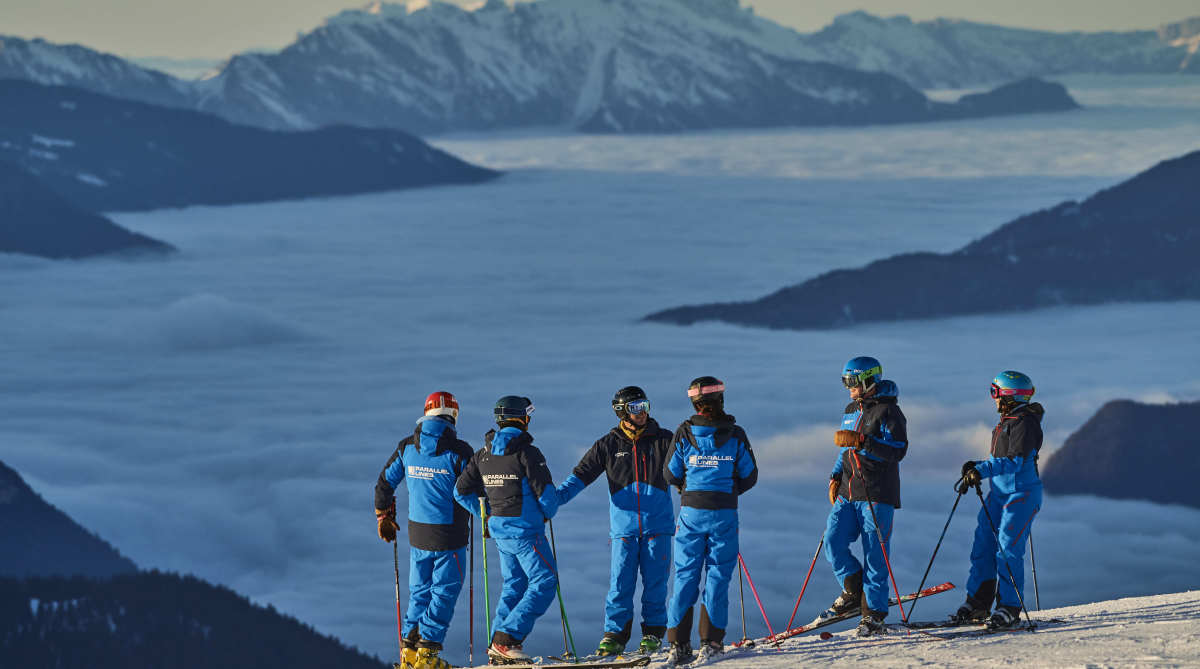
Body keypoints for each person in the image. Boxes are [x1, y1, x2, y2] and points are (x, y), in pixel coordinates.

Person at [556, 386, 675, 657]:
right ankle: (614, 635)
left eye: (645, 405)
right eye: (635, 408)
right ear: (621, 411)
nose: (642, 413)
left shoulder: (664, 439)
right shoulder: (608, 444)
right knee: (620, 583)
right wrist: (554, 500)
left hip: (658, 527)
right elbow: (580, 476)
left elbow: (686, 469)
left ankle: (653, 635)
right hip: (624, 529)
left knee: (656, 584)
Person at [454, 395, 560, 663]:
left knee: (514, 585)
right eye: (527, 414)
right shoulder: (527, 453)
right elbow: (547, 497)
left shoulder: (483, 454)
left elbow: (460, 491)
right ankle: (507, 640)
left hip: (500, 532)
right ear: (520, 418)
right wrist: (546, 514)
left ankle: (495, 648)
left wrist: (486, 515)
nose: (529, 419)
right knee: (545, 582)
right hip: (526, 532)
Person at [374, 391, 475, 669]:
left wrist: (384, 516)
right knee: (444, 591)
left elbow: (385, 482)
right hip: (449, 535)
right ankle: (428, 657)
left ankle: (409, 653)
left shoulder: (407, 447)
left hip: (417, 533)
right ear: (454, 415)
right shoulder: (461, 452)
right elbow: (475, 488)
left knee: (420, 590)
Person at [663, 376, 758, 665]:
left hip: (691, 512)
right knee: (717, 576)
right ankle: (712, 643)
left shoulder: (684, 432)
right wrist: (728, 491)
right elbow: (750, 475)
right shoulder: (736, 434)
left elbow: (670, 473)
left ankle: (678, 645)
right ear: (720, 400)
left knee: (685, 576)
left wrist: (689, 488)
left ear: (694, 402)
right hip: (724, 514)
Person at [822, 356, 908, 637]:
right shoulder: (850, 409)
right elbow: (844, 449)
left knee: (875, 554)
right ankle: (852, 591)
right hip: (849, 490)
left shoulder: (889, 412)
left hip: (877, 493)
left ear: (868, 381)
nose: (848, 387)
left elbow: (897, 450)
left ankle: (873, 614)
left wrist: (862, 442)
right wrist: (835, 475)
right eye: (845, 382)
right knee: (833, 541)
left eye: (852, 382)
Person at [953, 371, 1044, 630]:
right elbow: (1000, 461)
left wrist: (981, 471)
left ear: (1009, 395)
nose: (993, 398)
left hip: (1021, 495)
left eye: (995, 392)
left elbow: (1015, 462)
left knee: (1007, 549)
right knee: (982, 546)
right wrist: (978, 466)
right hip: (999, 494)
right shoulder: (1008, 421)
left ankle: (1009, 608)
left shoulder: (1025, 423)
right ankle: (978, 603)